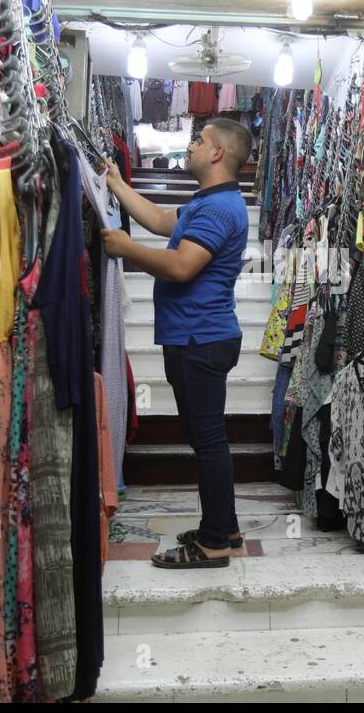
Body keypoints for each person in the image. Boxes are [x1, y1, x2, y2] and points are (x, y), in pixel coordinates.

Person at [100, 118, 252, 569]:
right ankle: (223, 526)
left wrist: (126, 248)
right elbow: (163, 220)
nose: (191, 146)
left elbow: (182, 266)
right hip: (196, 337)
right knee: (205, 440)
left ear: (218, 154)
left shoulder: (222, 208)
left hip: (200, 340)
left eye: (199, 141)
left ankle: (213, 544)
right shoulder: (206, 203)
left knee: (208, 442)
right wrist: (116, 184)